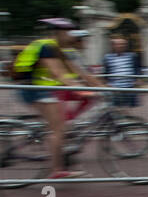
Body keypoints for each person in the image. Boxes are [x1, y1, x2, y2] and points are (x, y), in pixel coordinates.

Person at [13, 18, 103, 178]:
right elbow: (59, 74)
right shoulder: (48, 47)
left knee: (60, 127)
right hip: (36, 89)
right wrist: (83, 91)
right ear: (60, 33)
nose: (73, 36)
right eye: (69, 32)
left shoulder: (58, 49)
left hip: (44, 89)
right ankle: (57, 170)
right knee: (58, 129)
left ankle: (61, 163)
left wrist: (105, 88)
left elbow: (81, 73)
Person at [102, 35, 143, 109]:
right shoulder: (107, 57)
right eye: (118, 44)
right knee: (116, 107)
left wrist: (138, 80)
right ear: (113, 46)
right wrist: (106, 83)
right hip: (115, 87)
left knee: (130, 107)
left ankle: (128, 119)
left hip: (129, 86)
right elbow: (105, 71)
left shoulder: (132, 56)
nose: (120, 46)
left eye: (123, 44)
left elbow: (137, 68)